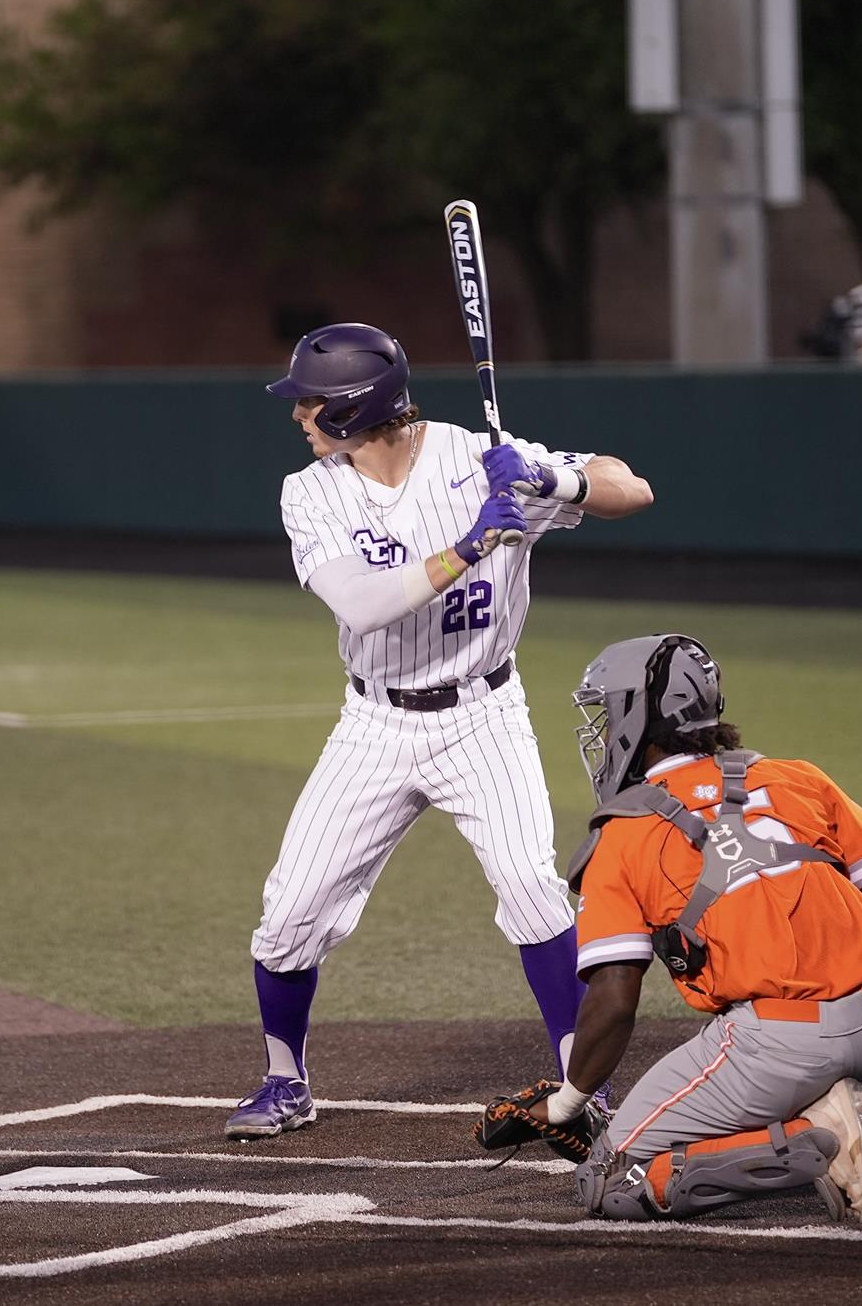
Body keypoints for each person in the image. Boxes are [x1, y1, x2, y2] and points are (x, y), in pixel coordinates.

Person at [226, 321, 655, 1139]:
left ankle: (583, 1089)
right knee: (290, 915)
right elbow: (363, 602)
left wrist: (549, 478)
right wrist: (468, 545)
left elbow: (631, 488)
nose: (298, 415)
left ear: (353, 410)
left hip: (484, 716)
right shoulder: (311, 490)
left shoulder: (476, 456)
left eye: (310, 403)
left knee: (535, 890)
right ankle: (286, 1081)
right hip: (375, 722)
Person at [531, 633, 862, 1223]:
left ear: (638, 718)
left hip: (784, 1046)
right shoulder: (795, 777)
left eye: (609, 712)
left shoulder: (622, 835)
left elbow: (615, 997)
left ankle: (819, 1139)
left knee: (610, 1180)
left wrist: (567, 1103)